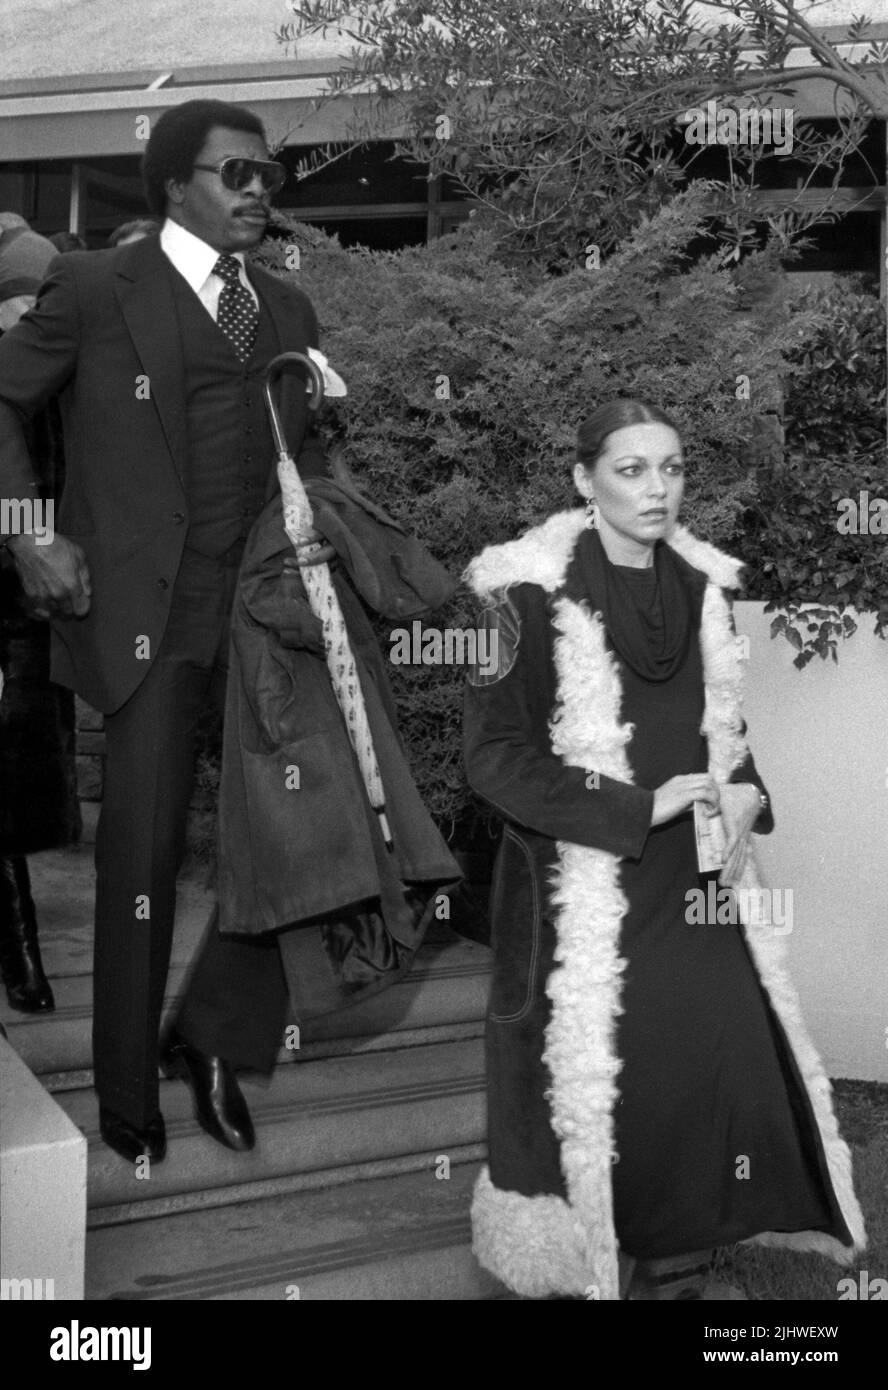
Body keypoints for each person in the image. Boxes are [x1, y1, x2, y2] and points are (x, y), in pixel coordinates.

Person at [0, 98, 418, 1166]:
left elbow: (309, 455)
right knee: (137, 856)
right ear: (176, 181)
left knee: (309, 839)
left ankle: (216, 1036)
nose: (257, 193)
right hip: (149, 619)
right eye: (237, 173)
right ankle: (128, 1099)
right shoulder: (96, 287)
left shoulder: (288, 307)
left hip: (270, 617)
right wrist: (28, 533)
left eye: (270, 177)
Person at [462, 398, 866, 1301]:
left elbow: (724, 728)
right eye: (632, 469)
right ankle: (614, 1263)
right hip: (586, 882)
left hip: (698, 876)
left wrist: (747, 791)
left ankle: (680, 1258)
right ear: (584, 479)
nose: (657, 489)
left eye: (673, 468)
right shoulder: (521, 592)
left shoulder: (702, 587)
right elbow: (493, 758)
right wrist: (635, 808)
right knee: (603, 1080)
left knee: (703, 1058)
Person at [0, 216, 81, 1013]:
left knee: (20, 757)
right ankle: (21, 947)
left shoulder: (51, 380)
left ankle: (22, 947)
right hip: (23, 578)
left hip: (29, 602)